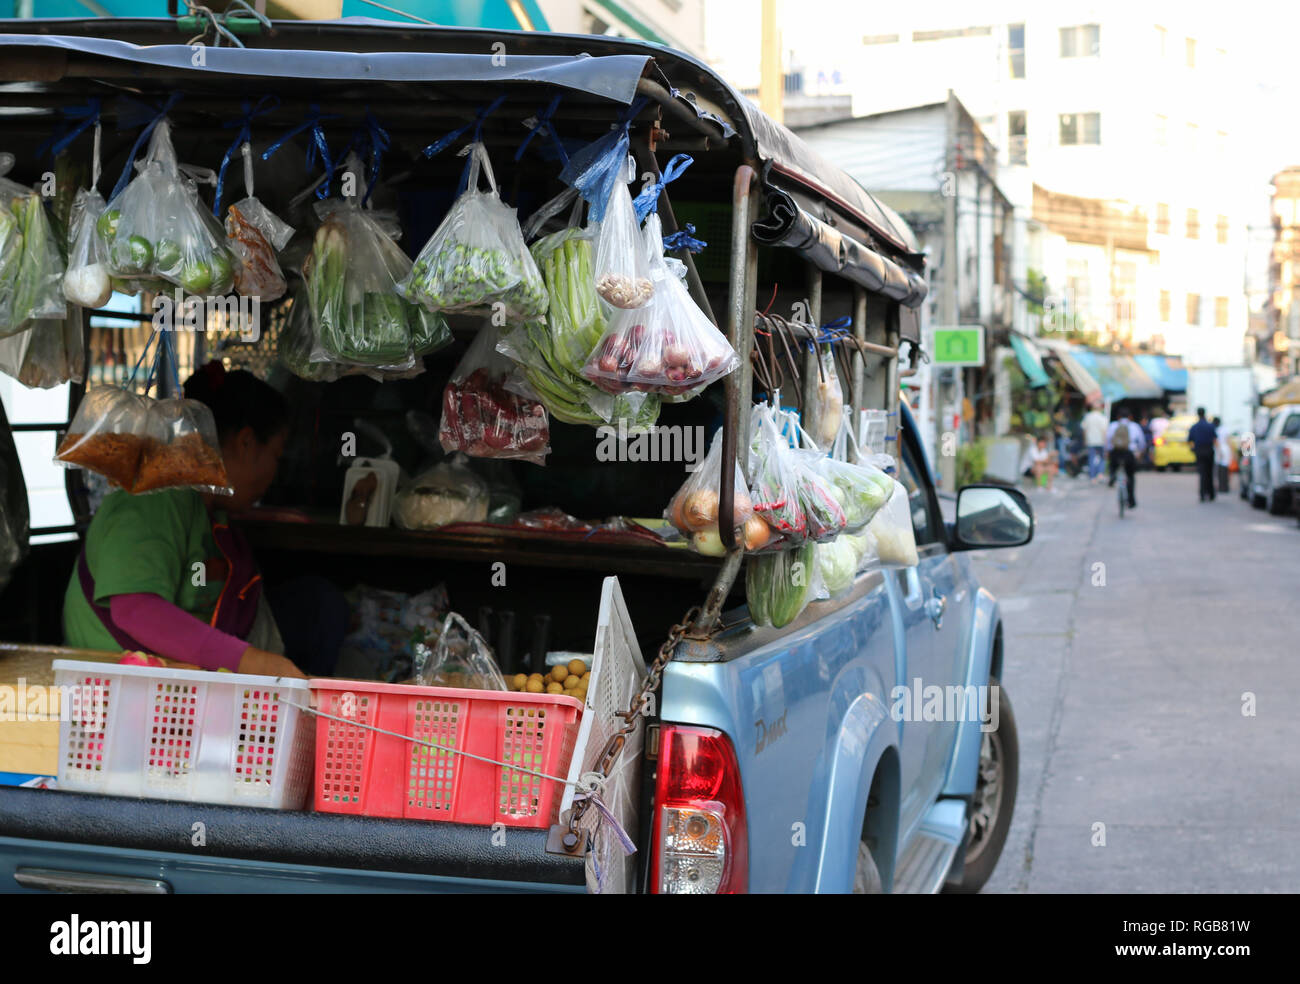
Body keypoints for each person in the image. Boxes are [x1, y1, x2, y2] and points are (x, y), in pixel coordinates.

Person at [63, 363, 348, 678]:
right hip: (120, 690)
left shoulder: (209, 510)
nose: (274, 472)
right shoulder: (157, 498)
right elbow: (136, 610)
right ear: (246, 443)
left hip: (179, 682)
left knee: (318, 602)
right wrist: (253, 662)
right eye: (276, 456)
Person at [1106, 408, 1144, 509]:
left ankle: (1112, 475)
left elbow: (1108, 441)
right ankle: (1131, 501)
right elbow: (1141, 442)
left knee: (1113, 465)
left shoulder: (1113, 425)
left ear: (1118, 417)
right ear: (1130, 417)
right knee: (1130, 476)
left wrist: (1108, 452)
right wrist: (1139, 453)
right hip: (1129, 454)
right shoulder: (1135, 426)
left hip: (1116, 453)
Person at [1188, 407, 1218, 502]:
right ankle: (1211, 494)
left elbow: (1190, 440)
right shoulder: (1210, 426)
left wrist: (1193, 449)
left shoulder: (1194, 427)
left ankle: (1202, 494)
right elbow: (1215, 439)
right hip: (1209, 450)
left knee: (1202, 473)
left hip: (1199, 451)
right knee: (1209, 473)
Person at [1082, 403, 1109, 483]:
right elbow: (1104, 431)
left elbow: (1084, 429)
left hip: (1090, 440)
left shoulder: (1087, 417)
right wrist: (1106, 442)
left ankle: (1092, 476)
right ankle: (1100, 474)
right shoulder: (1103, 417)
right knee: (1102, 458)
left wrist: (1085, 440)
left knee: (1091, 458)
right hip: (1101, 440)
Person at [1213, 416, 1231, 493]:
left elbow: (1216, 441)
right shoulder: (1224, 429)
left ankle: (1221, 486)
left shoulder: (1215, 429)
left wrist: (1219, 450)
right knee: (1225, 468)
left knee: (1219, 469)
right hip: (1225, 449)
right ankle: (1225, 486)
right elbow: (1228, 440)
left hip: (1219, 449)